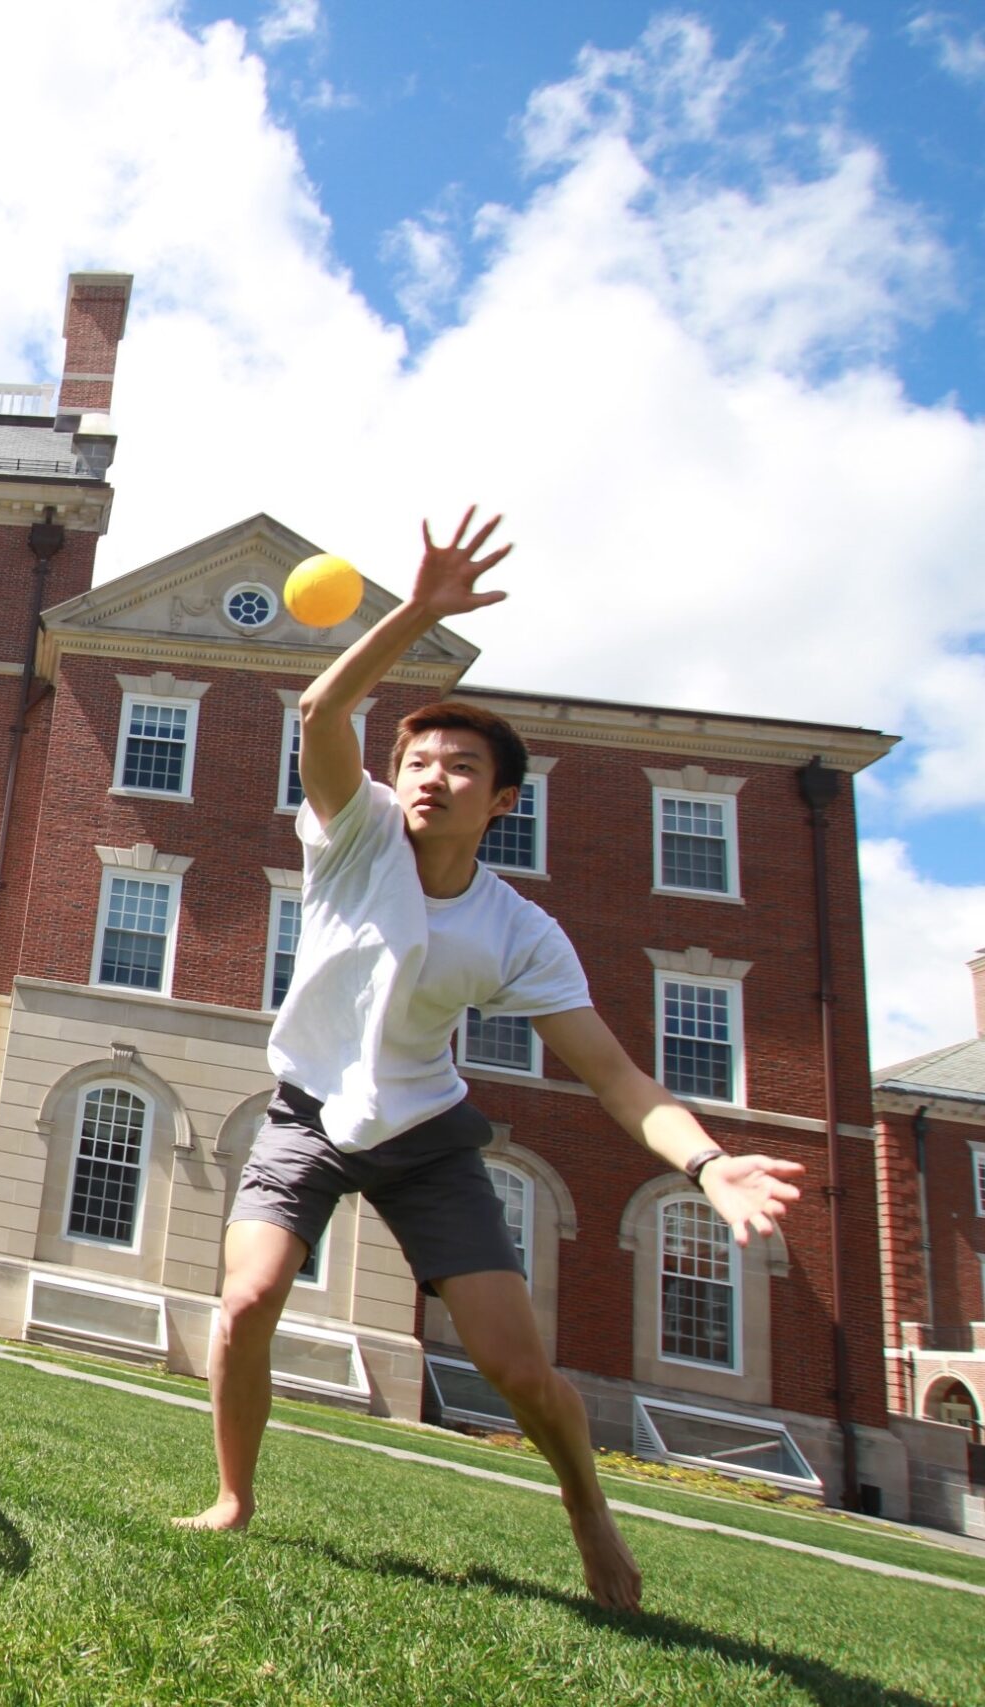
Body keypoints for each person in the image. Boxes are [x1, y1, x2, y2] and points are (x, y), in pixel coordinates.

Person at [175, 509, 804, 1613]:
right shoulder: (355, 837)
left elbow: (616, 1077)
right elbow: (321, 710)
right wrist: (416, 613)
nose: (431, 776)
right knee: (248, 1299)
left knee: (517, 1368)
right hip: (306, 1116)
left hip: (426, 1139)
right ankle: (233, 1497)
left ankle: (589, 1510)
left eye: (460, 767)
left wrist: (707, 1165)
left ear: (503, 802)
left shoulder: (521, 933)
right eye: (416, 760)